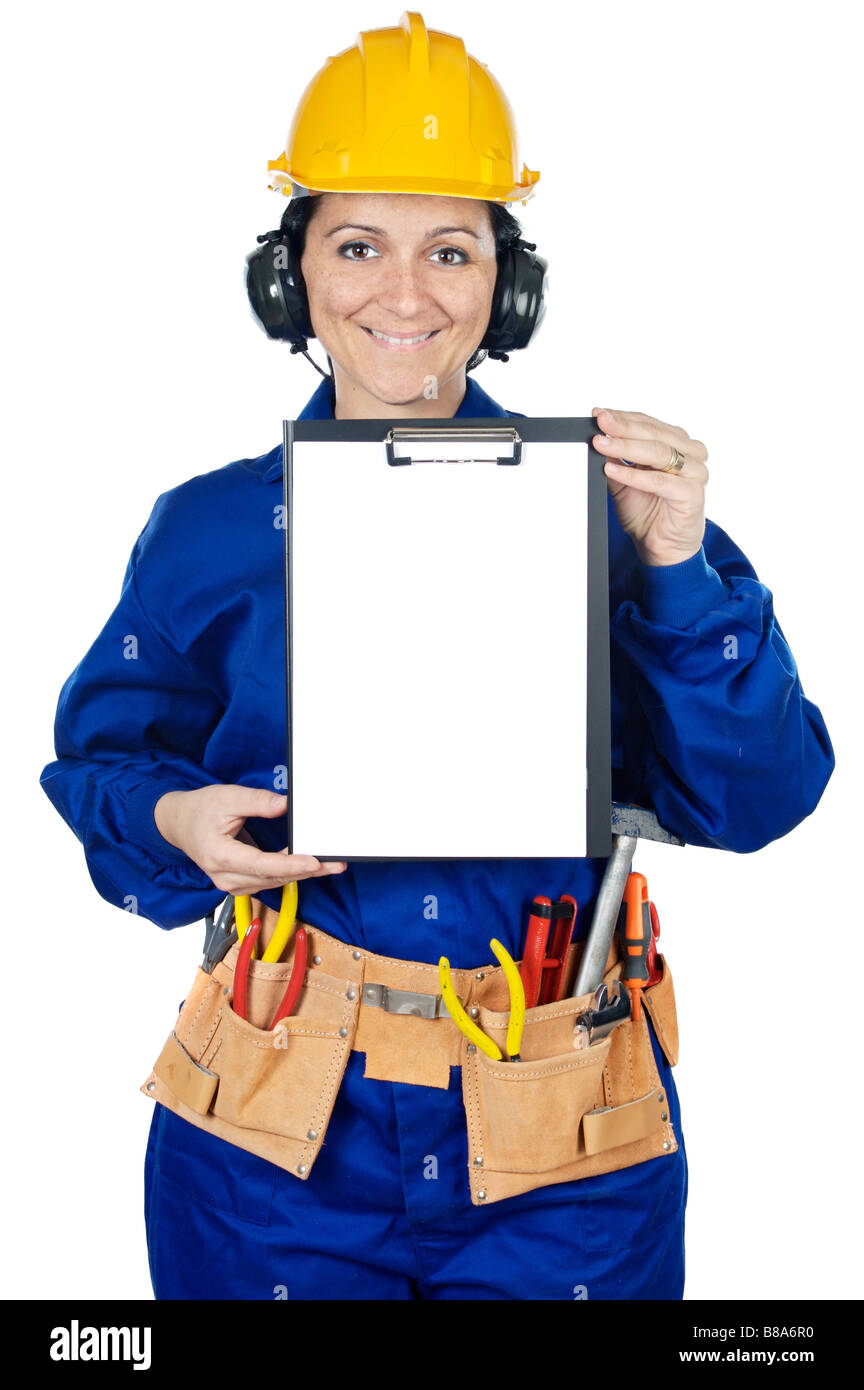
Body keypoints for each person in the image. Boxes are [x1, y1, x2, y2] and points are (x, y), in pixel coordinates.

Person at [40, 12, 834, 1300]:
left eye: (450, 251)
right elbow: (102, 767)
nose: (403, 298)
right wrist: (173, 819)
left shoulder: (614, 511)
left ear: (507, 290)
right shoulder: (207, 531)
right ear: (289, 279)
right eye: (357, 245)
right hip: (271, 1146)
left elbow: (758, 803)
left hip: (566, 1139)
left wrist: (680, 569)